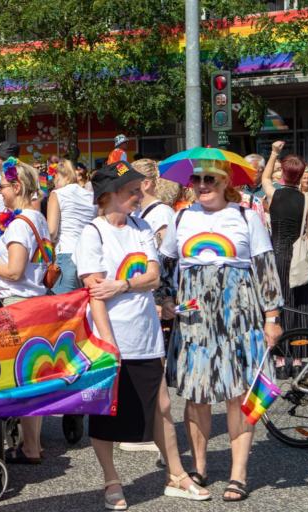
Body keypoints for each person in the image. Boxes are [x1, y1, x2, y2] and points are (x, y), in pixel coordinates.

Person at [75, 162, 208, 510]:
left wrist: (122, 284)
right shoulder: (93, 233)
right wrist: (108, 344)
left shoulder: (142, 225)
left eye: (137, 188)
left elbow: (152, 276)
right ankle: (111, 480)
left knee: (162, 404)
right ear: (110, 195)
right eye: (131, 189)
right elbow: (95, 295)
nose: (138, 194)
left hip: (146, 332)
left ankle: (176, 475)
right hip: (110, 336)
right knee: (106, 412)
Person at [157, 161, 283, 502]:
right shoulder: (182, 218)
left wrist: (272, 316)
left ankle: (238, 473)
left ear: (226, 181)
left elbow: (265, 267)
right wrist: (166, 300)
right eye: (195, 178)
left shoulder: (246, 217)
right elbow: (165, 265)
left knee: (238, 395)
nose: (201, 184)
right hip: (194, 319)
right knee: (196, 395)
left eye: (208, 178)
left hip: (239, 318)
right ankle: (198, 467)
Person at [0, 159, 48, 465]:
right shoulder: (36, 217)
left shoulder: (20, 224)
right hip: (35, 302)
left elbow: (15, 271)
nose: (1, 192)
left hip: (18, 304)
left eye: (3, 187)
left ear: (17, 187)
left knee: (24, 378)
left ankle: (30, 446)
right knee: (33, 376)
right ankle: (32, 444)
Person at [262, 142, 308, 377]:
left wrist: (274, 153)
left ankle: (279, 359)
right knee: (299, 304)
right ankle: (297, 359)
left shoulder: (273, 193)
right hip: (297, 257)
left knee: (278, 304)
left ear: (284, 174)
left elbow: (266, 177)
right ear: (301, 176)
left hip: (276, 255)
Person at [47, 159, 95, 295]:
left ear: (57, 176)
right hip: (89, 256)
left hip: (67, 253)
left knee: (62, 310)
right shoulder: (91, 196)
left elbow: (51, 231)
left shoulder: (57, 194)